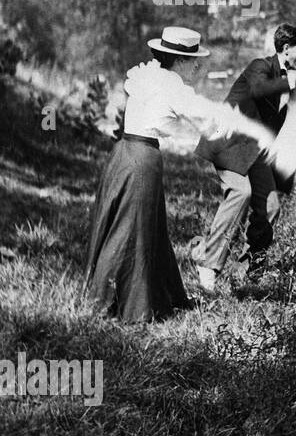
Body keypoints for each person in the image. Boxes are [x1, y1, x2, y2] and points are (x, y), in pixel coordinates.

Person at [85, 27, 273, 322]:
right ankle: (118, 304)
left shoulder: (147, 75)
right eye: (193, 60)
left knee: (141, 228)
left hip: (122, 153)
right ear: (179, 61)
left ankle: (139, 296)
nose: (197, 66)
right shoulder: (174, 87)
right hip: (142, 159)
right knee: (130, 231)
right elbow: (205, 119)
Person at [193, 22, 296, 292]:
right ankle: (208, 264)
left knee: (270, 207)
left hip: (256, 153)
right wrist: (289, 82)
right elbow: (260, 89)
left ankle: (249, 272)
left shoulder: (293, 84)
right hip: (229, 144)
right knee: (240, 192)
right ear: (286, 49)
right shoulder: (259, 67)